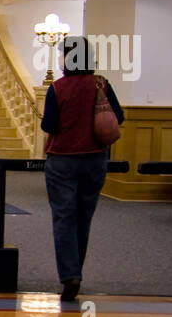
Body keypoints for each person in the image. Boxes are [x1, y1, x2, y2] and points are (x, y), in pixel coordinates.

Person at [41, 35, 125, 303]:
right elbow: (118, 117)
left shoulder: (58, 88)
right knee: (83, 217)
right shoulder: (101, 83)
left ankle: (70, 275)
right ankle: (76, 270)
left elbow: (49, 126)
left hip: (63, 159)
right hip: (95, 159)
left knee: (64, 217)